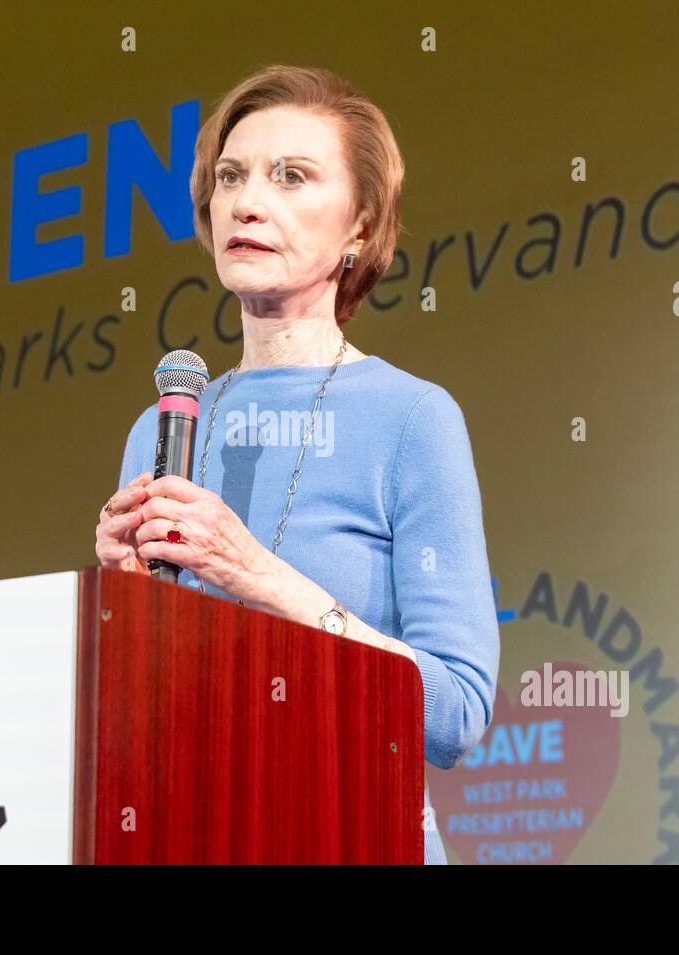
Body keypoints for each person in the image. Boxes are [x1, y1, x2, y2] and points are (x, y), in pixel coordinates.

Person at [94, 64, 498, 865]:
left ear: (359, 226)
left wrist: (257, 575)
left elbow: (456, 714)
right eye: (231, 177)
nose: (248, 201)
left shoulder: (412, 419)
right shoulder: (163, 426)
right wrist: (122, 609)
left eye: (292, 177)